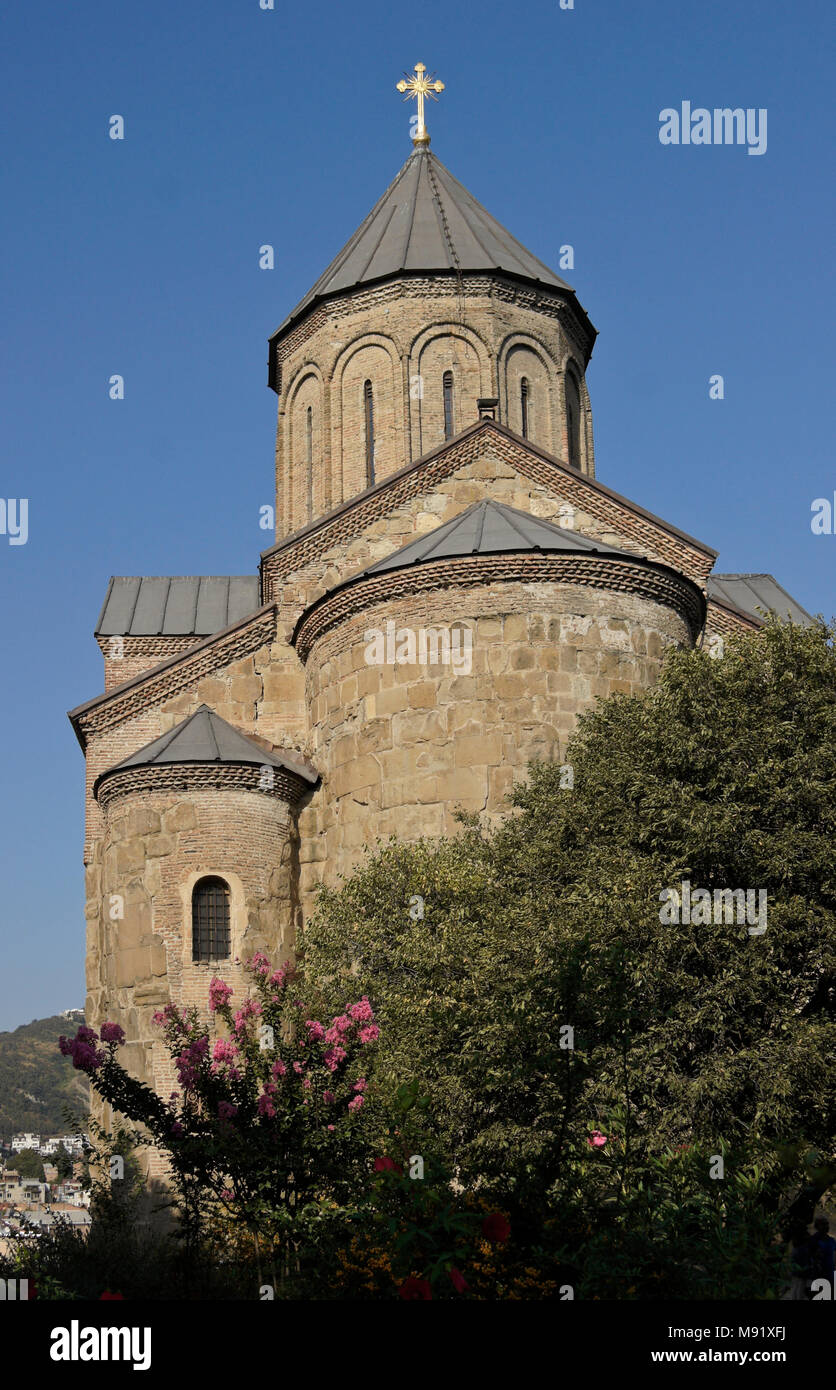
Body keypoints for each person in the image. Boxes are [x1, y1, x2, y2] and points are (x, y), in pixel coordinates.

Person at [809, 1217, 836, 1293]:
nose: (826, 1226)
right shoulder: (813, 1240)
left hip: (830, 1272)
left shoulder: (831, 1240)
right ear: (817, 1226)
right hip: (818, 1272)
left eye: (827, 1224)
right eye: (823, 1224)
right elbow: (810, 1255)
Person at [787, 1225, 813, 1299]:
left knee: (796, 1291)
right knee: (798, 1292)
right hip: (801, 1273)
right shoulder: (802, 1249)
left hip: (798, 1273)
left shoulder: (797, 1249)